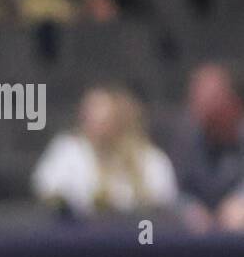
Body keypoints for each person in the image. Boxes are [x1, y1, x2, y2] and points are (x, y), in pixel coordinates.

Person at [32, 86, 178, 218]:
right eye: (90, 115)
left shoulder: (149, 158)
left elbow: (165, 200)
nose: (99, 126)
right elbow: (48, 189)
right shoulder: (69, 150)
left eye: (105, 120)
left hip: (139, 237)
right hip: (81, 238)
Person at [172, 64, 244, 233]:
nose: (200, 104)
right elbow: (175, 190)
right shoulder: (185, 138)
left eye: (211, 97)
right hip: (199, 238)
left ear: (234, 102)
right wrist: (189, 208)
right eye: (196, 96)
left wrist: (241, 200)